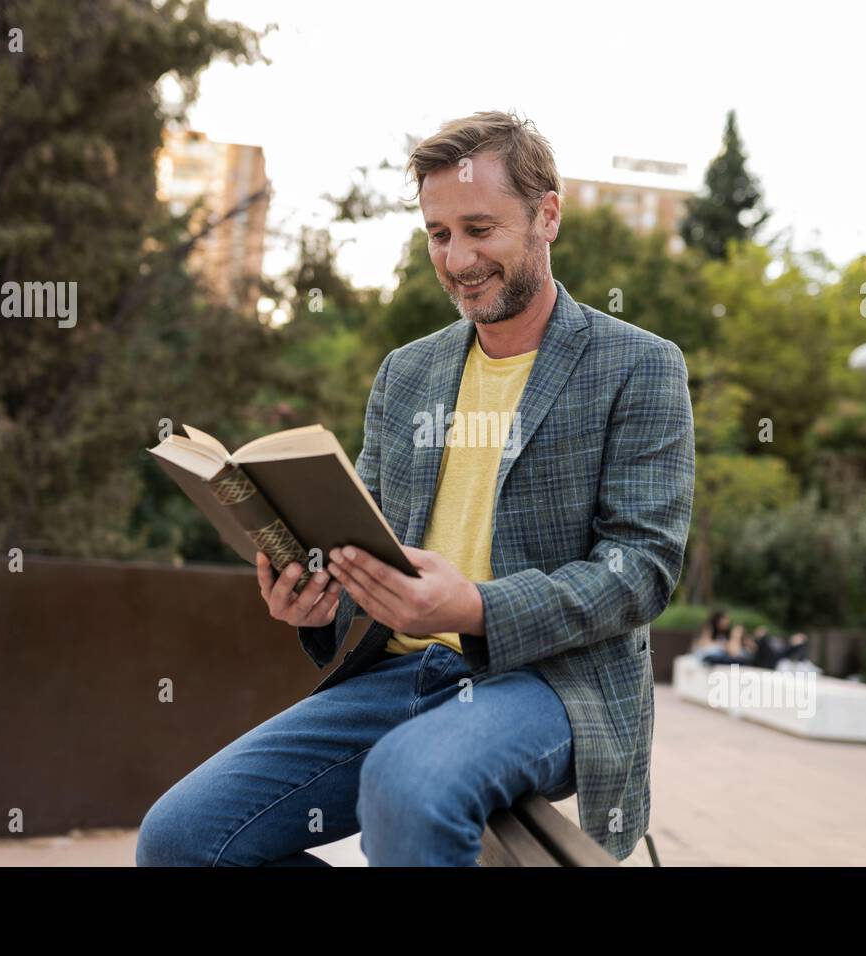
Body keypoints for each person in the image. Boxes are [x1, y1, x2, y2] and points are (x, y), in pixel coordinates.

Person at [136, 110, 695, 866]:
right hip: (398, 671)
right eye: (439, 234)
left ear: (547, 216)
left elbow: (643, 571)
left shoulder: (639, 365)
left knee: (408, 786)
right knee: (180, 842)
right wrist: (316, 599)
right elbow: (360, 535)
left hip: (548, 683)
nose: (458, 258)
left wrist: (475, 607)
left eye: (480, 228)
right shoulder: (408, 373)